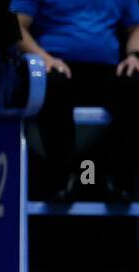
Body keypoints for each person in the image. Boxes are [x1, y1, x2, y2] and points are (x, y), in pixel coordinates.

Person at [12, 0, 139, 200]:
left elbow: (135, 28)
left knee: (133, 84)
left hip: (106, 69)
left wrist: (134, 55)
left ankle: (115, 179)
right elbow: (15, 25)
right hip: (54, 65)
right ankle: (62, 178)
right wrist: (44, 58)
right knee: (54, 83)